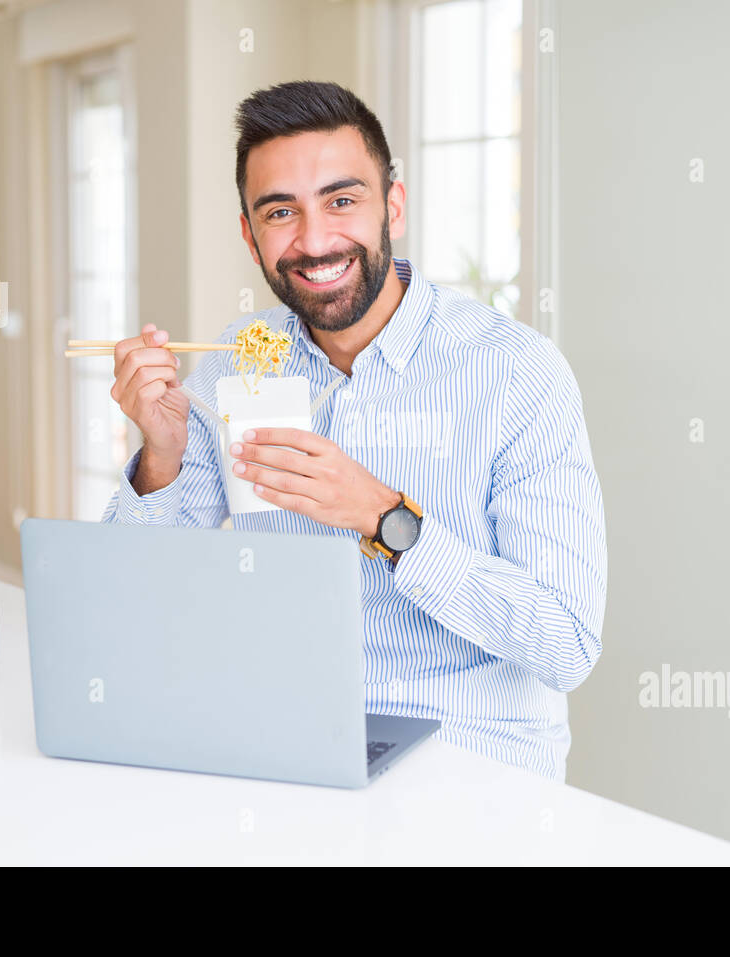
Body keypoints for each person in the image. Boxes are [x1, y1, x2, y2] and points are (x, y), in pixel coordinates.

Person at [103, 80, 606, 782]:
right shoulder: (233, 362)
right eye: (281, 212)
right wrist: (160, 456)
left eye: (343, 200)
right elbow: (128, 601)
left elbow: (566, 644)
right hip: (280, 748)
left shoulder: (516, 373)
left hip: (469, 763)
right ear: (250, 235)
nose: (314, 240)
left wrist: (385, 517)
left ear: (391, 206)